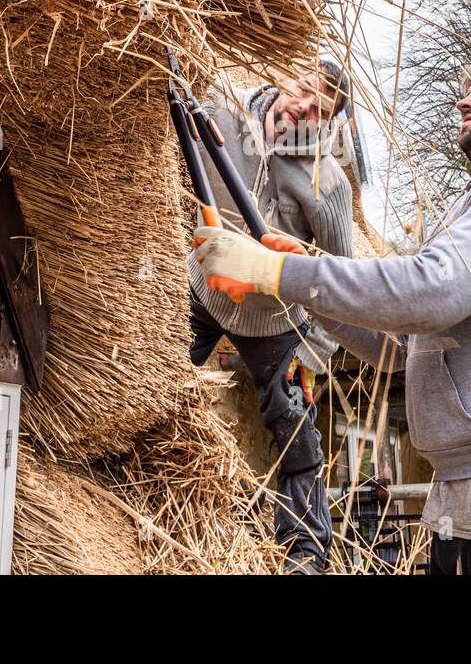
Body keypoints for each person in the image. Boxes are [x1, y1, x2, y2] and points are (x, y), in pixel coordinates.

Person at [194, 50, 471, 575]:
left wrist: (276, 274)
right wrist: (305, 290)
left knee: (289, 423)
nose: (463, 99)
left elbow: (431, 291)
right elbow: (403, 345)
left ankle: (305, 548)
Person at [185, 58, 356, 574]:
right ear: (286, 76)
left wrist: (312, 352)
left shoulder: (328, 185)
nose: (303, 104)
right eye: (303, 86)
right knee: (158, 379)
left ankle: (305, 551)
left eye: (320, 104)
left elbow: (339, 279)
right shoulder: (220, 110)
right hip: (206, 289)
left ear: (330, 119)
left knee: (294, 424)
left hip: (275, 317)